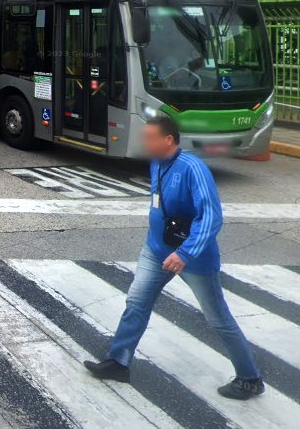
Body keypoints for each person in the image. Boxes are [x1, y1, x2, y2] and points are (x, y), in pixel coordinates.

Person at [84, 115, 265, 401]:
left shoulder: (193, 169)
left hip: (193, 257)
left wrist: (184, 253)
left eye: (151, 138)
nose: (146, 143)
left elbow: (211, 217)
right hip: (156, 251)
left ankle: (250, 378)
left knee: (217, 318)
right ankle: (118, 362)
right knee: (136, 303)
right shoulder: (157, 163)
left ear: (168, 140)